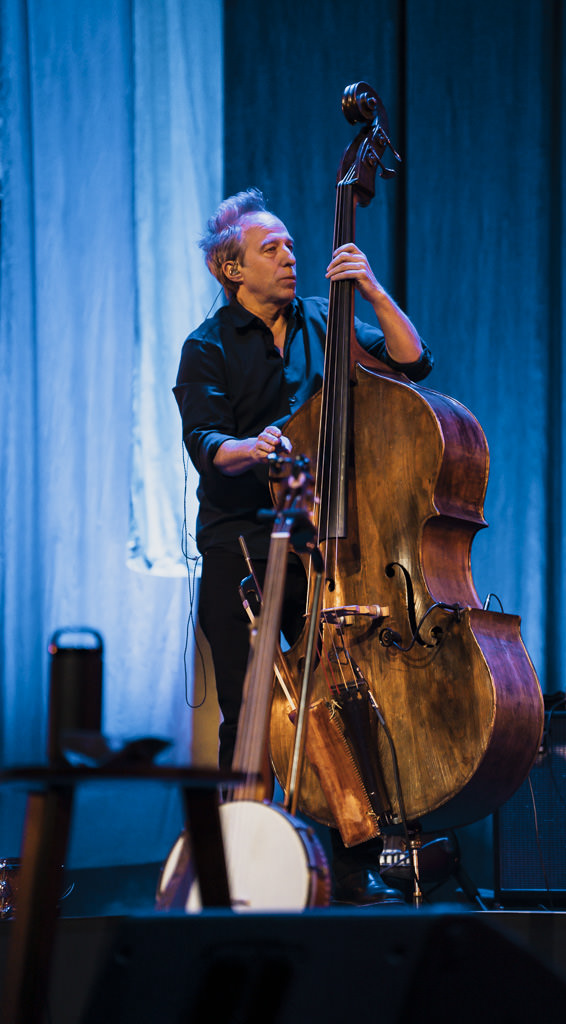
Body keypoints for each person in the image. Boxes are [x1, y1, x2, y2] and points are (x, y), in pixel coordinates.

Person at [174, 188, 433, 905]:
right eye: (272, 249)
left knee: (338, 704)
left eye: (291, 245)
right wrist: (251, 447)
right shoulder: (206, 346)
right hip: (245, 549)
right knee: (250, 711)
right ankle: (234, 867)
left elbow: (412, 366)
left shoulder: (325, 318)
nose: (291, 257)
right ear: (232, 268)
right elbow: (206, 444)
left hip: (326, 544)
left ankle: (347, 865)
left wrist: (373, 291)